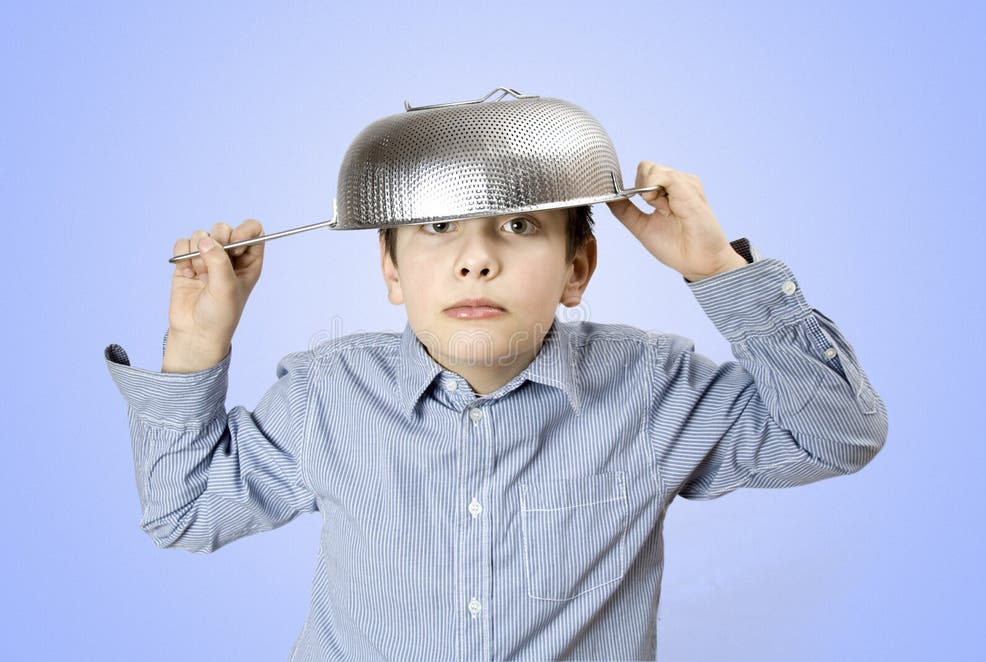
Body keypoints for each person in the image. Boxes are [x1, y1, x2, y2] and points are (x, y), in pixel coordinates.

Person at [104, 161, 887, 661]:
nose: (476, 257)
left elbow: (836, 437)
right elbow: (185, 514)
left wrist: (719, 271)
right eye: (437, 228)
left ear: (578, 268)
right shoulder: (329, 396)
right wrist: (197, 343)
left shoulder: (651, 389)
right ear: (391, 270)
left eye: (519, 227)